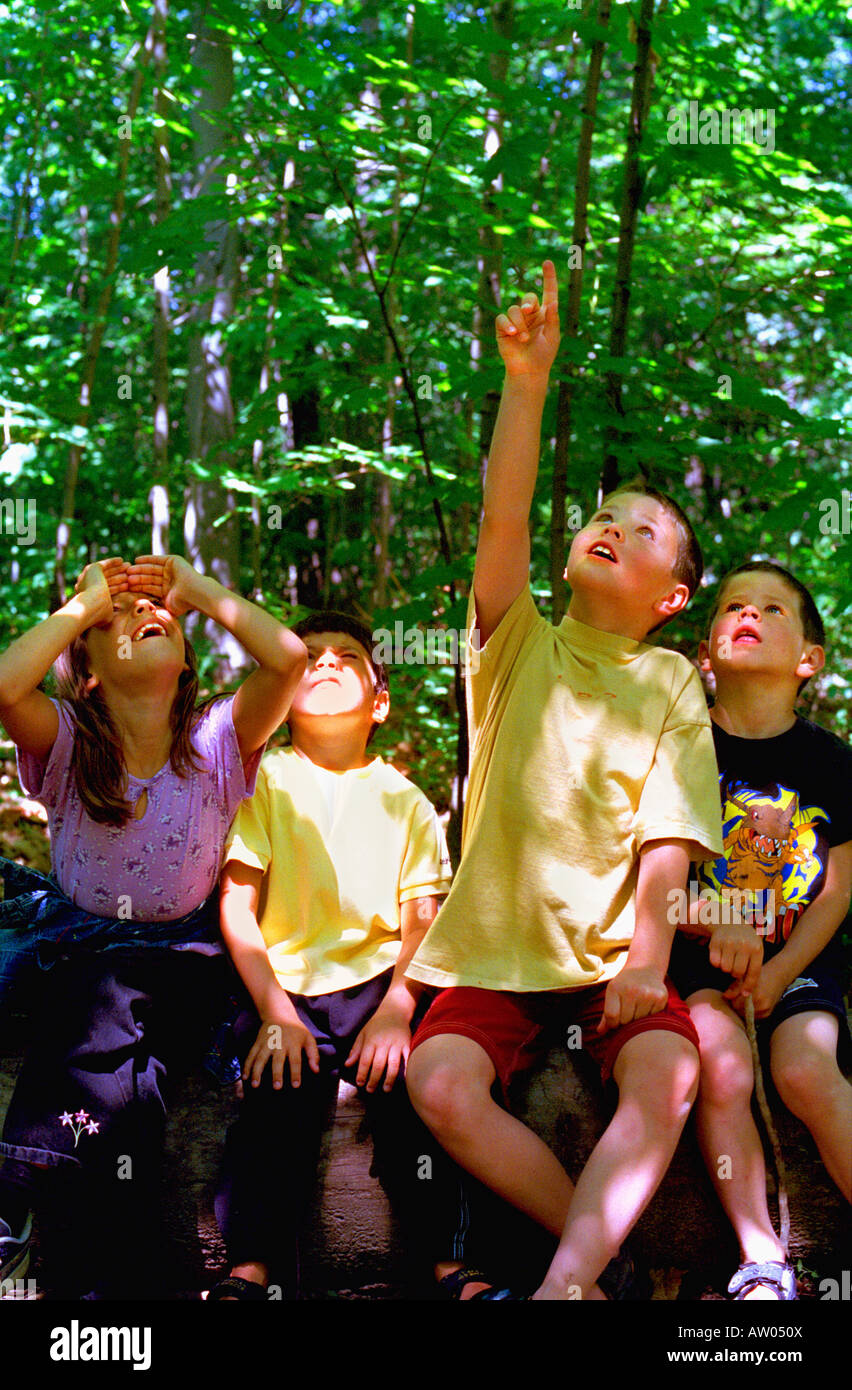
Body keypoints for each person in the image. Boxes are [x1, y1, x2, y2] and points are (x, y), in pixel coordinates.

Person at [404, 259, 724, 1300]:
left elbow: (668, 833)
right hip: (492, 952)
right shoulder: (515, 645)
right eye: (606, 514)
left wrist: (646, 957)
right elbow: (504, 518)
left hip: (607, 959)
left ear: (673, 597)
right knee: (438, 1083)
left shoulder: (668, 676)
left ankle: (560, 1286)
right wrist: (527, 380)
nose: (613, 527)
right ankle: (604, 1265)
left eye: (644, 531)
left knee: (670, 1070)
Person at [0, 554, 307, 1294]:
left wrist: (195, 587)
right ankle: (82, 1269)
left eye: (159, 613)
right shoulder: (70, 740)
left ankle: (25, 1198)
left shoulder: (215, 743)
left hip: (186, 957)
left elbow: (289, 657)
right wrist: (84, 603)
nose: (146, 614)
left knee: (130, 1051)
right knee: (125, 1075)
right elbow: (7, 684)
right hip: (78, 948)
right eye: (120, 619)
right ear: (91, 671)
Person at [210, 611, 466, 1300]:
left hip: (383, 983)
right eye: (309, 657)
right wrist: (272, 1011)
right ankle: (252, 1268)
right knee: (274, 1099)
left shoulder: (406, 802)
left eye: (346, 657)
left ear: (379, 702)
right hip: (284, 986)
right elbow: (237, 906)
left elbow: (422, 922)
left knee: (417, 1095)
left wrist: (399, 1009)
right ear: (282, 690)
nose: (324, 663)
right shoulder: (260, 783)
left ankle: (452, 1267)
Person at [668, 561, 852, 1301]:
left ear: (808, 659)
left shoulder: (829, 760)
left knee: (806, 1069)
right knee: (723, 1063)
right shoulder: (678, 749)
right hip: (692, 963)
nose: (749, 614)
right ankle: (760, 1257)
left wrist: (779, 972)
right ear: (706, 654)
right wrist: (715, 923)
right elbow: (648, 874)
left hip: (798, 961)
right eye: (733, 606)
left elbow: (839, 889)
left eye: (773, 609)